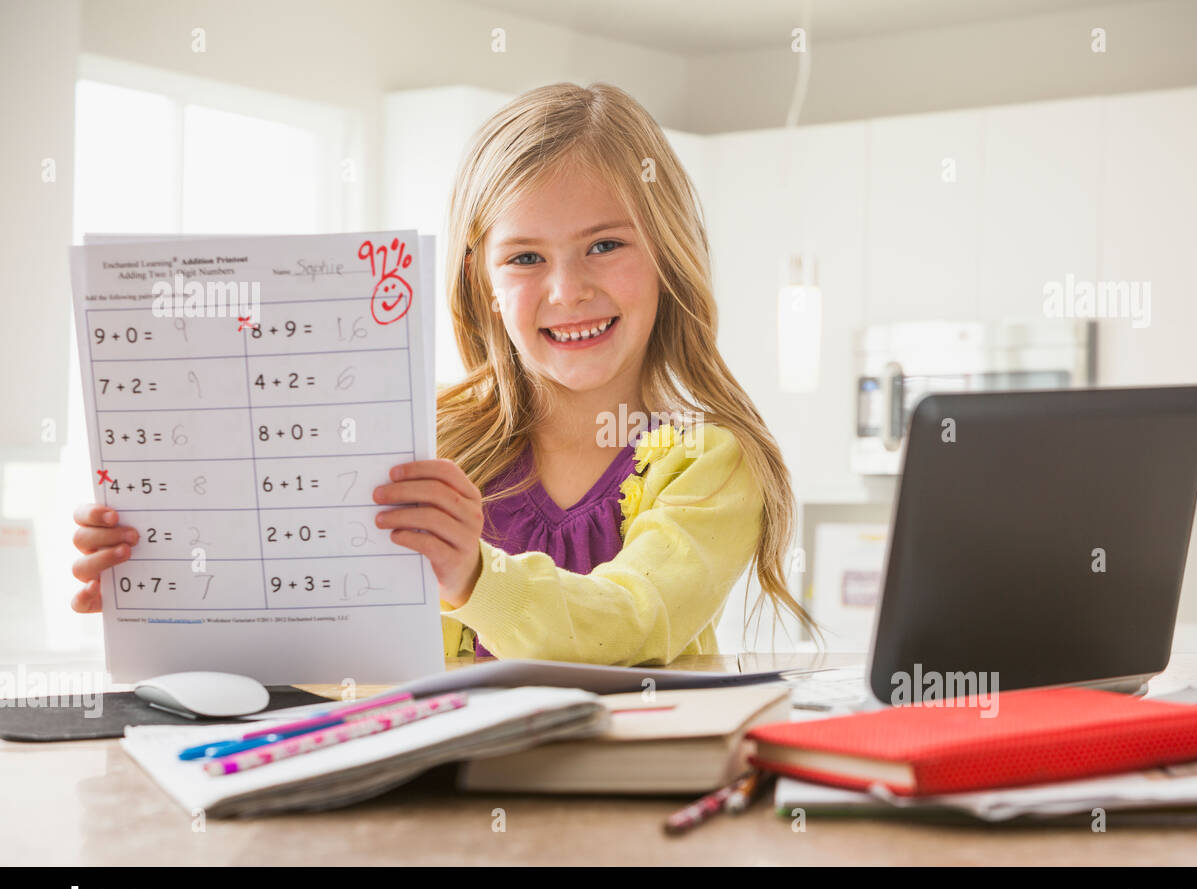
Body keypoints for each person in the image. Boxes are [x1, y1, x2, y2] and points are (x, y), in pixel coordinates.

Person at [70, 81, 818, 665]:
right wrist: (171, 588)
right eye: (526, 257)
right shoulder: (421, 440)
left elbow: (632, 624)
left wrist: (474, 579)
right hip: (434, 810)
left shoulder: (707, 462)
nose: (567, 291)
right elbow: (319, 638)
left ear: (668, 251)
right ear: (481, 280)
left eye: (604, 245)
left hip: (626, 815)